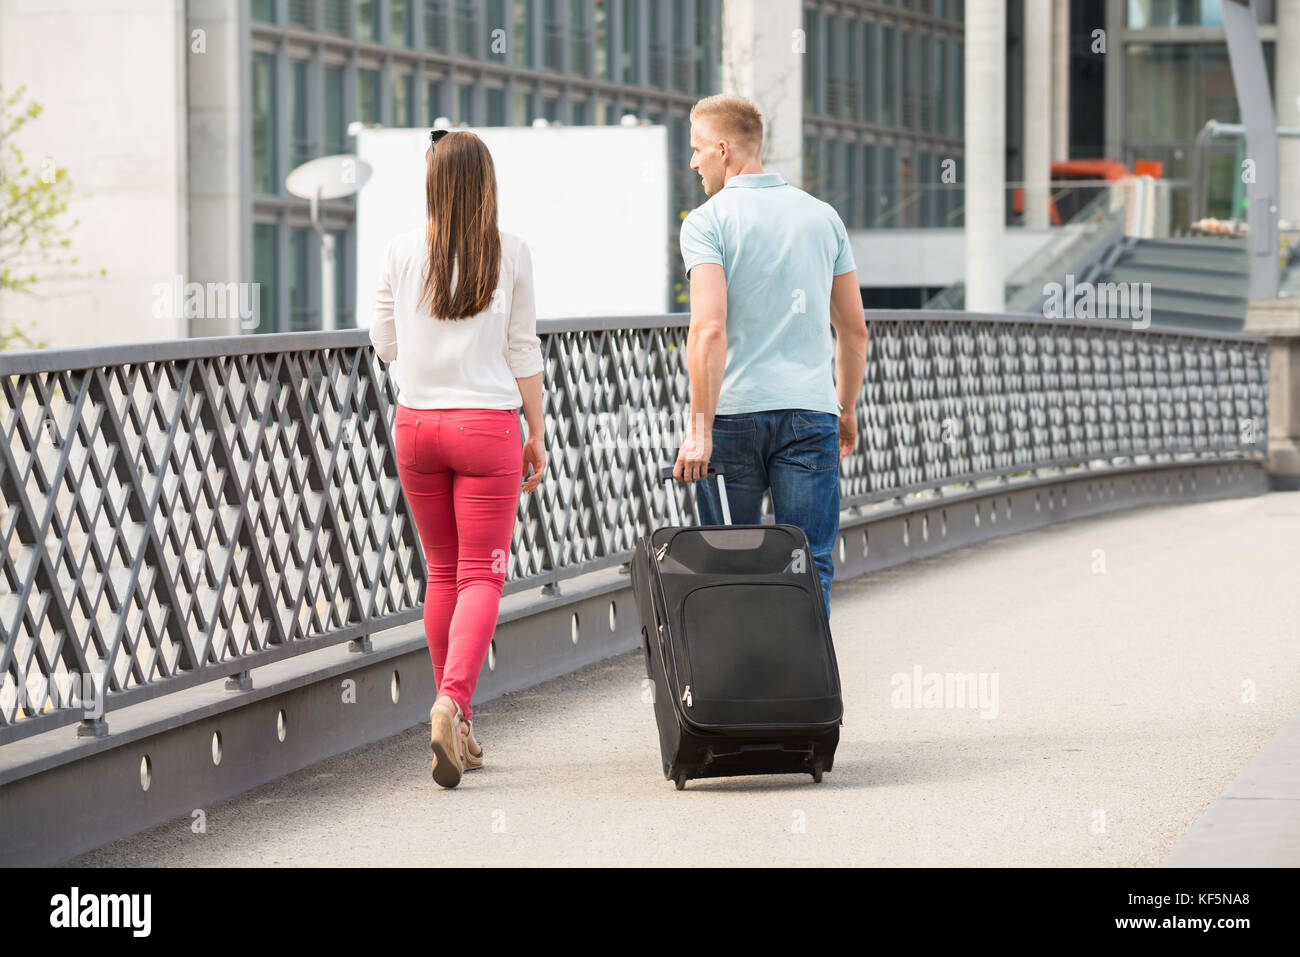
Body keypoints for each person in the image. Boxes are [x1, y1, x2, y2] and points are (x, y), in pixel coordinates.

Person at [370, 129, 546, 789]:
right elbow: (523, 350)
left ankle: (459, 729)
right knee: (483, 575)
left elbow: (385, 344)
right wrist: (537, 429)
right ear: (486, 183)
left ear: (432, 183)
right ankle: (453, 704)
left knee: (442, 571)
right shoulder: (513, 252)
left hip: (416, 427)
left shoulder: (398, 251)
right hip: (486, 428)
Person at [674, 94, 869, 621]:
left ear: (722, 149)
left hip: (732, 418)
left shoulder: (706, 222)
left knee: (728, 566)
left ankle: (740, 693)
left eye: (696, 151)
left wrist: (699, 428)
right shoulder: (823, 217)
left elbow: (708, 331)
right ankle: (804, 694)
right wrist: (844, 409)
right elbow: (853, 332)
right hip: (811, 415)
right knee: (810, 562)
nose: (693, 163)